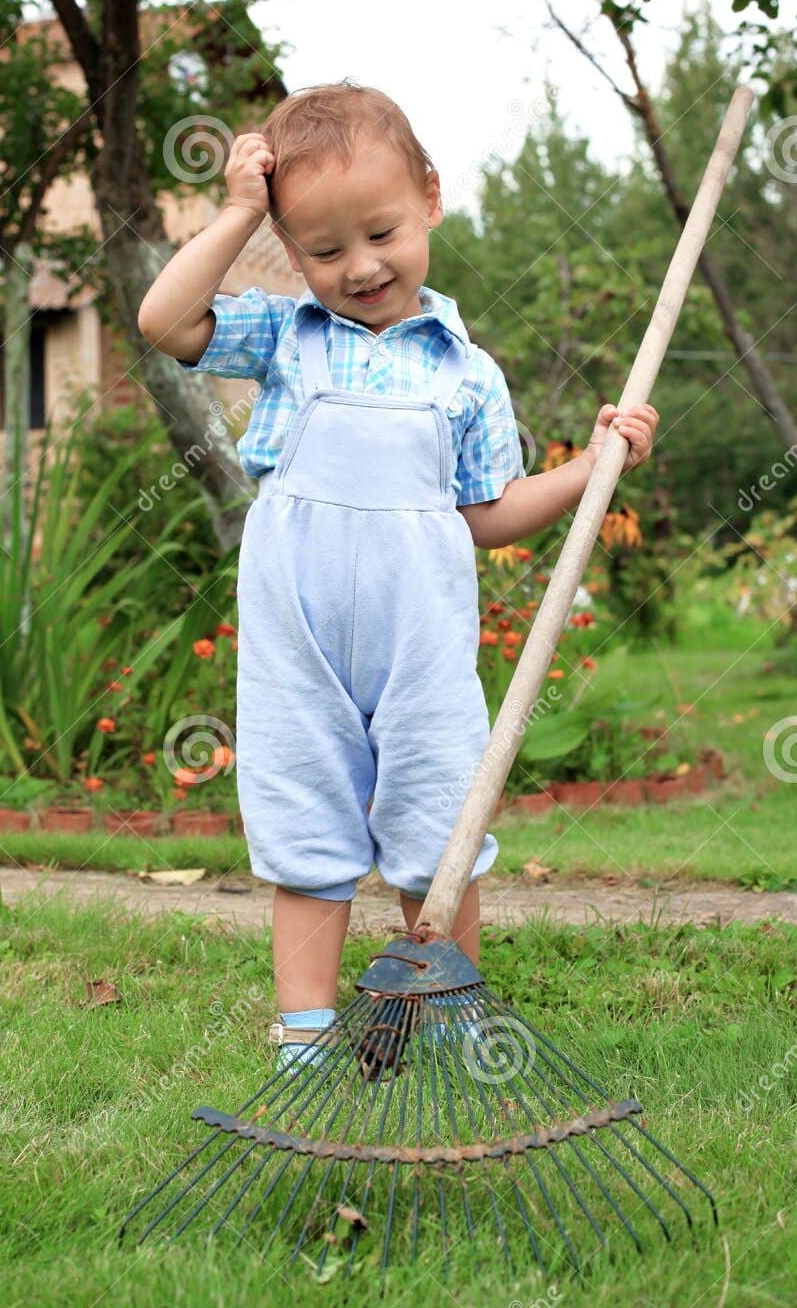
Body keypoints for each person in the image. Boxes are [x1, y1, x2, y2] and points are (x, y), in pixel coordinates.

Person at [138, 82, 658, 1070]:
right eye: (322, 250)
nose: (359, 267)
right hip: (301, 642)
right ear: (291, 253)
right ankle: (303, 1034)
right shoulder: (287, 337)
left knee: (436, 818)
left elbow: (487, 513)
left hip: (419, 638)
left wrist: (589, 467)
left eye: (379, 232)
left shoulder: (465, 374)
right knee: (306, 822)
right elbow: (164, 319)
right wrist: (241, 211)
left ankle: (454, 1016)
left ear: (428, 195)